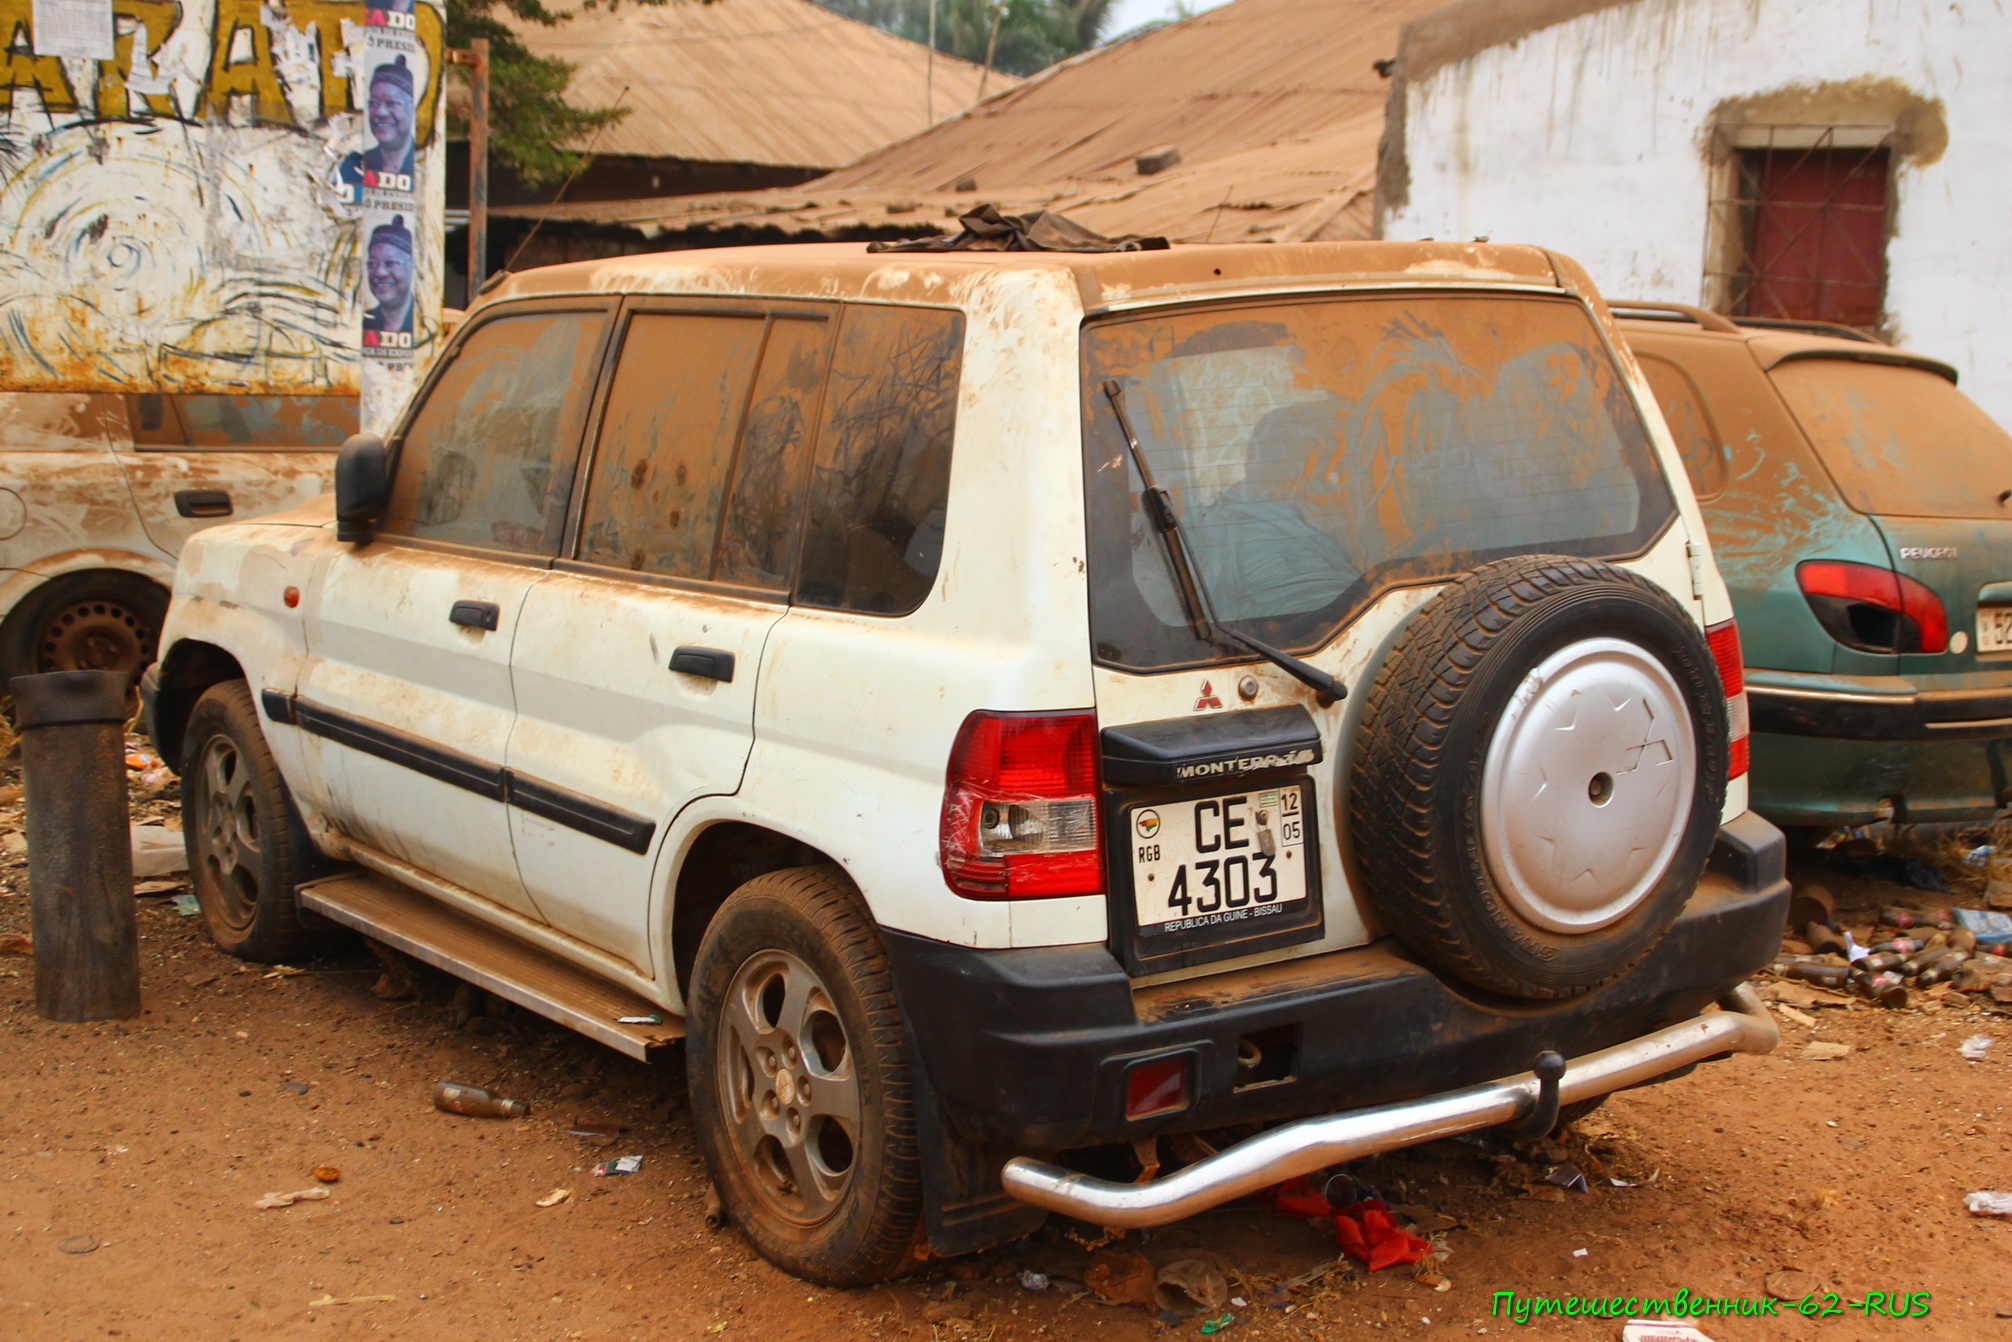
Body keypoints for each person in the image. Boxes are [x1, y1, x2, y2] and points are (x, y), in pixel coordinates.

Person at [339, 54, 417, 196]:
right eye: (374, 103)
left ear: (411, 107)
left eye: (391, 103)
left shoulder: (423, 165)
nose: (380, 112)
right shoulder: (350, 165)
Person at [363, 215, 415, 341]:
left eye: (390, 263)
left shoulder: (423, 321)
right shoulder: (364, 322)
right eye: (373, 264)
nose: (380, 273)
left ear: (411, 266)